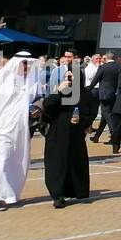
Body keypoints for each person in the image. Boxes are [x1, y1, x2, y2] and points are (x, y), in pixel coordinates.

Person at [0, 52, 35, 210]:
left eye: (29, 64)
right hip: (0, 130)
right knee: (0, 162)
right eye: (24, 64)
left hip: (20, 132)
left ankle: (10, 195)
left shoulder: (30, 83)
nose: (27, 67)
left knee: (17, 162)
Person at [40, 62, 92, 207]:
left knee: (74, 164)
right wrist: (60, 90)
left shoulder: (84, 94)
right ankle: (57, 196)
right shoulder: (61, 90)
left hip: (75, 135)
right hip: (57, 133)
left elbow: (89, 114)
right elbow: (48, 106)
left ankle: (74, 191)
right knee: (56, 164)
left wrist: (82, 120)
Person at [89, 53, 121, 143]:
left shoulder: (103, 67)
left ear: (106, 58)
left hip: (104, 94)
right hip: (114, 94)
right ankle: (96, 137)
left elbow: (96, 80)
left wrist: (88, 89)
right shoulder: (119, 67)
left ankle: (114, 135)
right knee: (105, 117)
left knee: (107, 114)